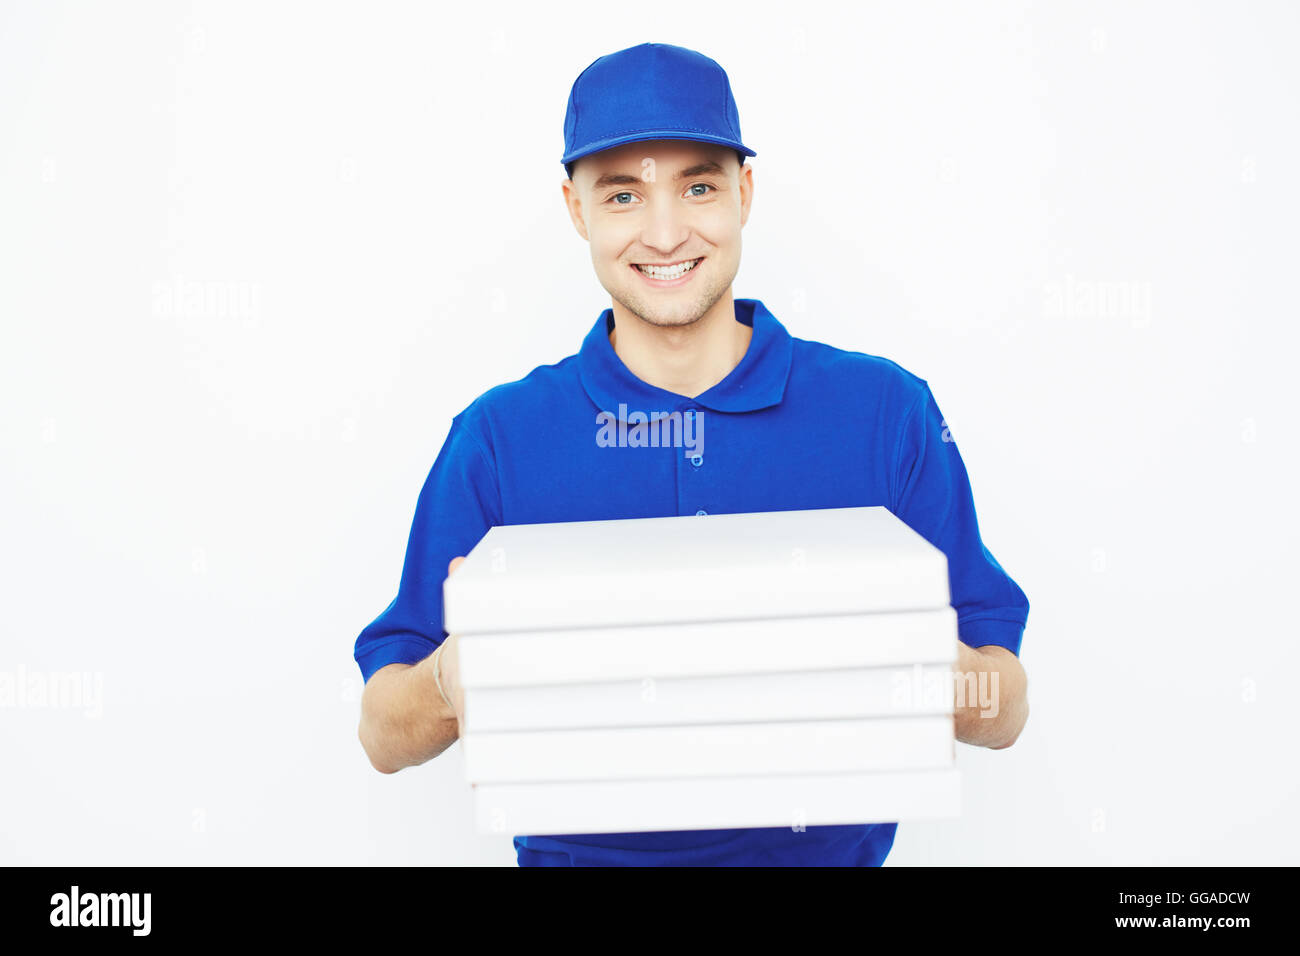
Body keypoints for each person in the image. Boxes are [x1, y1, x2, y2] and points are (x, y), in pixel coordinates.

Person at [354, 41, 1030, 866]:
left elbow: (1005, 707)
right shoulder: (498, 438)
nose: (666, 233)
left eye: (699, 185)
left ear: (745, 193)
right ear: (576, 210)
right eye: (624, 194)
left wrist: (927, 661)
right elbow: (384, 736)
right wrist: (454, 678)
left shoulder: (885, 412)